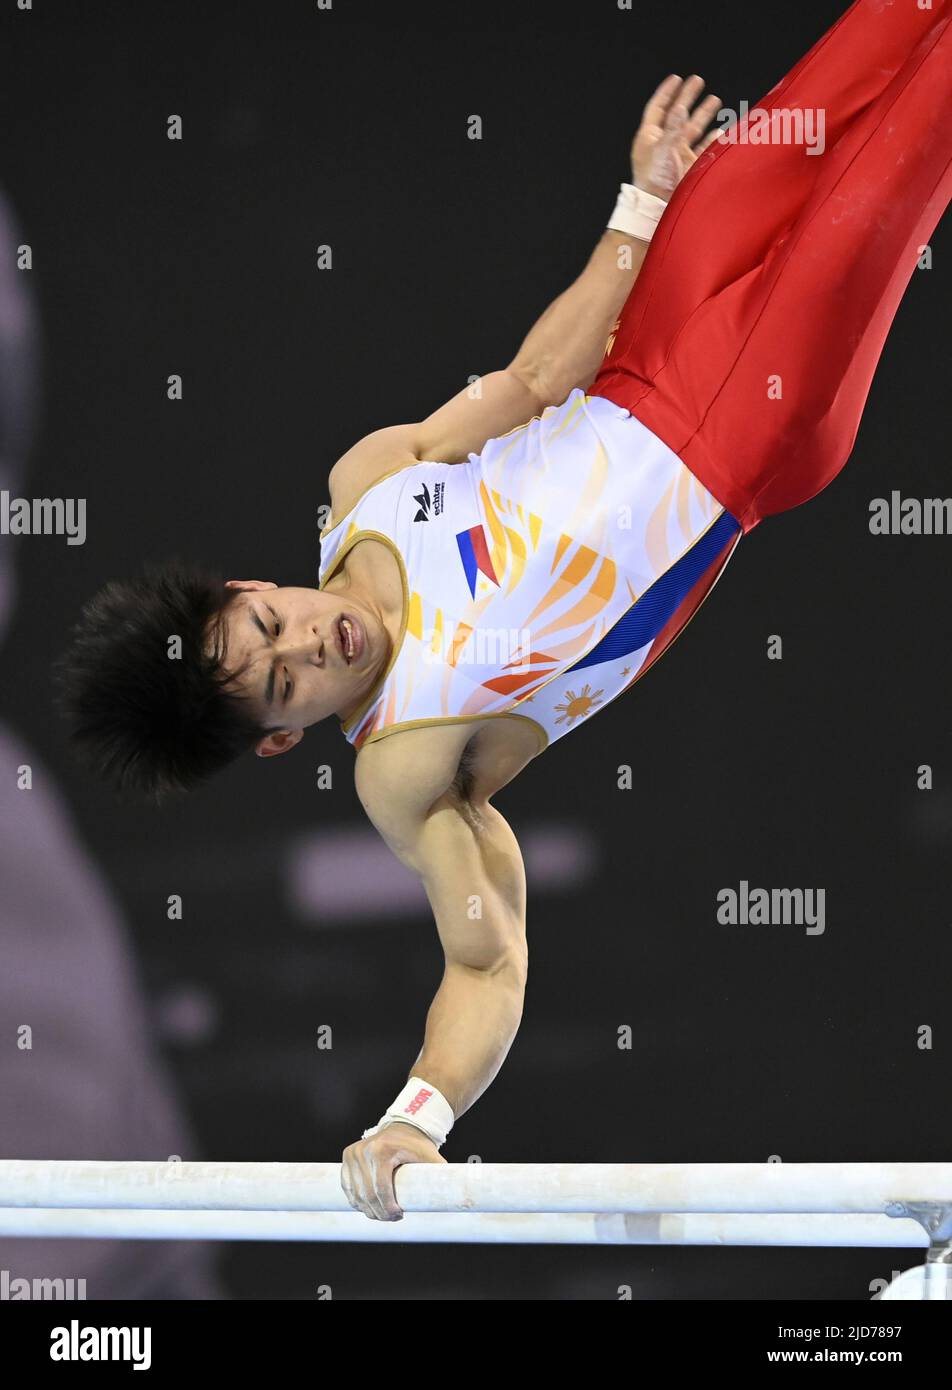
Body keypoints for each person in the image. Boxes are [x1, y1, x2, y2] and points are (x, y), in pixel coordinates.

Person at [57, 0, 952, 1221]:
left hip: (652, 335)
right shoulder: (407, 772)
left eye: (270, 626)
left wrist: (638, 209)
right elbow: (487, 956)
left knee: (871, 44)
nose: (310, 644)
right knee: (907, 141)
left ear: (247, 590)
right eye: (284, 685)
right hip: (736, 439)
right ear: (282, 735)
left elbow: (535, 380)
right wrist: (415, 1116)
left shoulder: (363, 484)